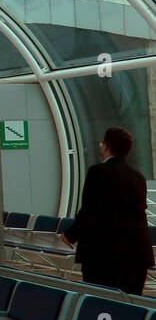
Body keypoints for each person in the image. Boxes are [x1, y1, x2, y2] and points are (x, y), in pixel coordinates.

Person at [62, 126, 155, 295]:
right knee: (131, 305)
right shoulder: (138, 177)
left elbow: (90, 210)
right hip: (137, 253)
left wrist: (70, 234)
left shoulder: (97, 172)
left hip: (105, 254)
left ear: (106, 146)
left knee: (103, 303)